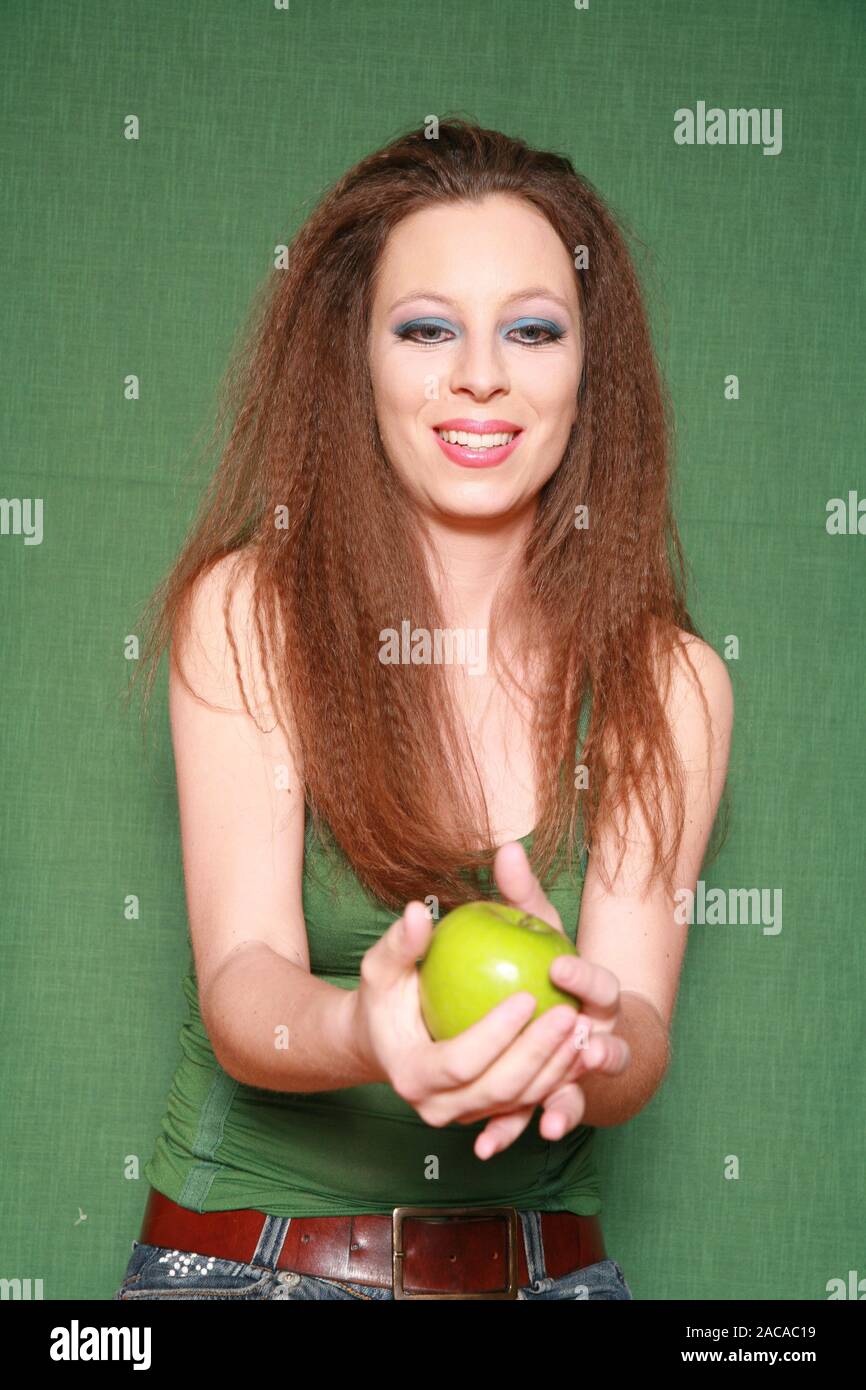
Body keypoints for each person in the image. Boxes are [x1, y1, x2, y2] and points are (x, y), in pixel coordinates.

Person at [115, 119, 733, 1301]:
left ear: (585, 371)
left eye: (532, 330)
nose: (480, 375)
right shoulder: (250, 613)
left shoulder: (672, 683)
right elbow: (244, 976)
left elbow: (638, 1026)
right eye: (427, 328)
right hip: (244, 1270)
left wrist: (585, 1046)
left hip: (546, 1277)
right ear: (358, 360)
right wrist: (366, 1035)